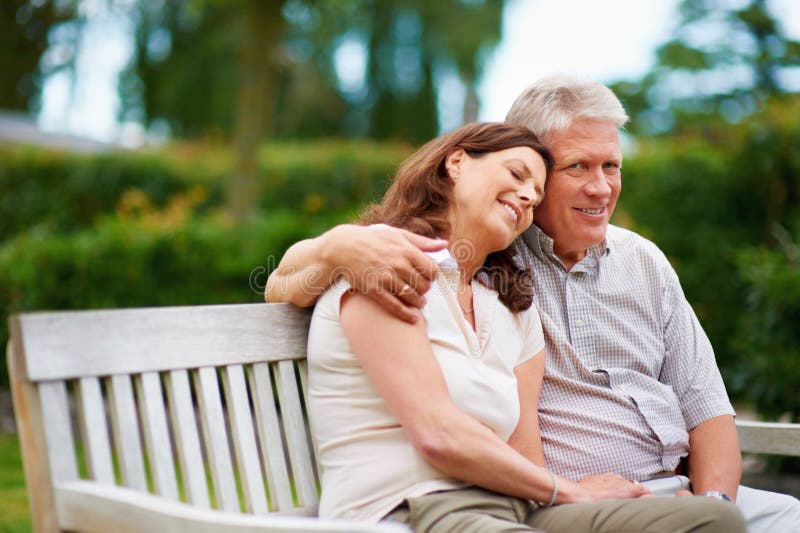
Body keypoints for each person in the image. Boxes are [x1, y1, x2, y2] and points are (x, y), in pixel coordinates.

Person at [267, 74, 800, 532]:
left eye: (611, 166)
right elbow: (282, 285)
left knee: (771, 518)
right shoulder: (395, 265)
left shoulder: (505, 298)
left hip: (598, 499)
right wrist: (334, 245)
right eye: (574, 168)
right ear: (456, 163)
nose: (600, 188)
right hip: (444, 506)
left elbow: (704, 403)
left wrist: (710, 499)